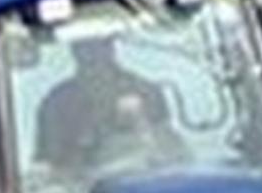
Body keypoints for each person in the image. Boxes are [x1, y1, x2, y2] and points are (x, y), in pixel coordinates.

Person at [34, 37, 186, 177]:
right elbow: (50, 167)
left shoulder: (145, 91)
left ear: (111, 46)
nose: (92, 53)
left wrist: (141, 126)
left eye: (99, 44)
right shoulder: (57, 104)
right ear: (74, 50)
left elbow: (173, 151)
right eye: (85, 47)